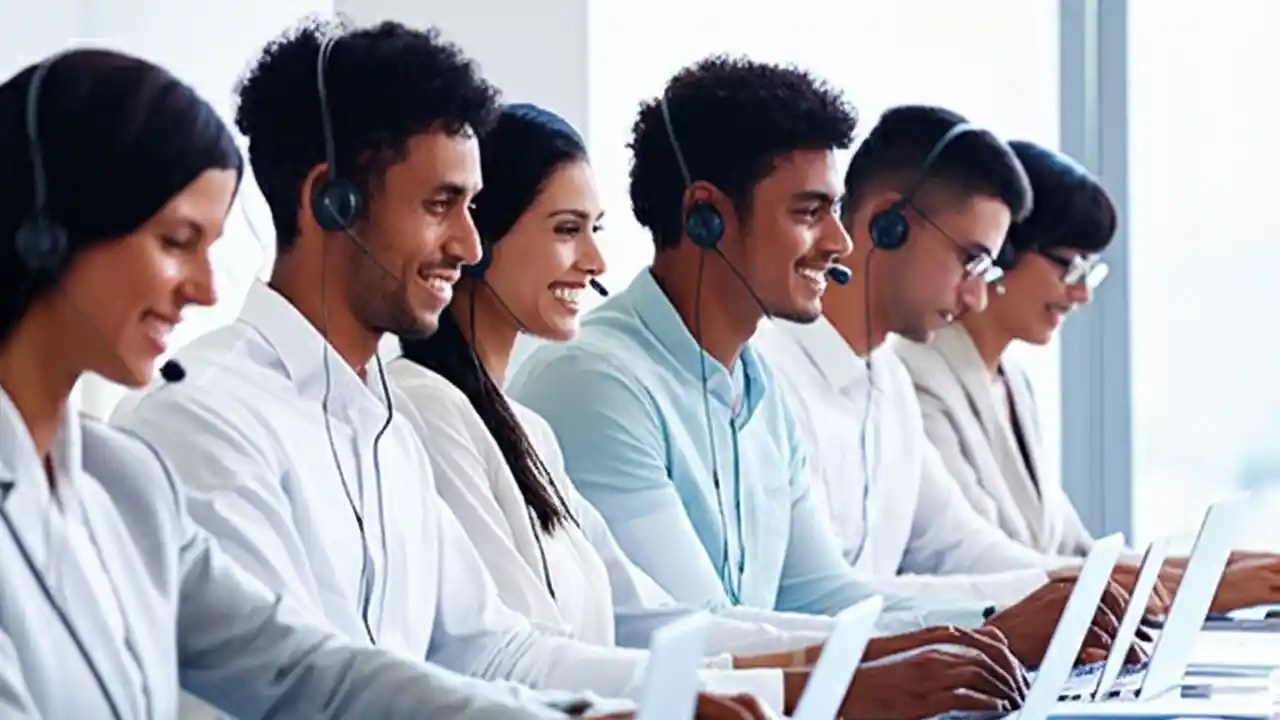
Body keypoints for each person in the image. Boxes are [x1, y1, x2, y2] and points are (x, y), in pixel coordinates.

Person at [110, 18, 763, 720]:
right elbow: (299, 692)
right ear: (332, 200)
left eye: (472, 206)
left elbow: (492, 652)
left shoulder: (386, 421)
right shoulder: (207, 422)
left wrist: (678, 701)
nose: (469, 244)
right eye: (440, 205)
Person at [0, 47, 596, 720]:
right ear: (48, 235)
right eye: (175, 241)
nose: (204, 289)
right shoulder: (196, 423)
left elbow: (305, 670)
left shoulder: (122, 481)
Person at [391, 102, 1032, 718]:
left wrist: (890, 656)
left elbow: (652, 620)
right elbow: (517, 656)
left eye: (594, 229)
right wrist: (827, 685)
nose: (595, 262)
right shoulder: (514, 395)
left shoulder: (529, 431)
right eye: (566, 230)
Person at [505, 55, 1113, 689]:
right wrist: (981, 633)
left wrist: (987, 623)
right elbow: (690, 630)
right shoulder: (597, 384)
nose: (840, 241)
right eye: (808, 212)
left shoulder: (758, 391)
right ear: (705, 216)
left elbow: (825, 595)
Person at [894, 138, 1280, 613]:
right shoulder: (915, 378)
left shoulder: (1012, 382)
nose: (1080, 295)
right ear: (1003, 251)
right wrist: (1205, 587)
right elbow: (979, 566)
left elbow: (1077, 553)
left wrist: (1219, 566)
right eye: (1069, 265)